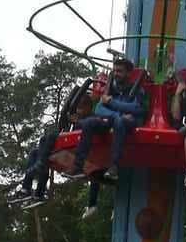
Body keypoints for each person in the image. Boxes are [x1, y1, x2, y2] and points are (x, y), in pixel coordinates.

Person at [10, 75, 97, 205]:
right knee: (36, 151)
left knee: (49, 137)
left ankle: (40, 166)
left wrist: (78, 122)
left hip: (80, 149)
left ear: (88, 108)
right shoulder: (78, 118)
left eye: (81, 108)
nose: (78, 111)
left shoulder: (91, 119)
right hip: (71, 144)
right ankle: (30, 189)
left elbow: (87, 131)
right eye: (77, 108)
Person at [63, 54, 148, 182]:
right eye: (114, 71)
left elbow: (136, 109)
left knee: (120, 122)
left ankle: (114, 166)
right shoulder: (111, 89)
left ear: (128, 73)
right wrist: (117, 113)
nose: (116, 73)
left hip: (129, 123)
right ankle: (78, 166)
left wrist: (112, 104)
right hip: (114, 120)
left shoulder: (136, 90)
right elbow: (99, 109)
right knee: (89, 122)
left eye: (119, 71)